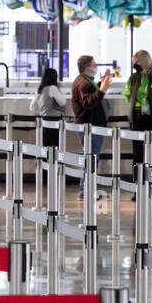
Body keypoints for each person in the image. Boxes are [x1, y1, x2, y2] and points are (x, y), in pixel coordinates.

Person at [70, 54, 112, 197]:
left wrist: (101, 84)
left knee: (91, 156)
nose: (96, 68)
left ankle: (85, 188)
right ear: (88, 67)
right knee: (92, 157)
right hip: (90, 126)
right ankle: (86, 189)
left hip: (91, 125)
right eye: (95, 65)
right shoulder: (84, 83)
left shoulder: (85, 81)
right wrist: (102, 90)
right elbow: (89, 103)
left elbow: (91, 95)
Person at [125, 50, 152, 171]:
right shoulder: (133, 78)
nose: (134, 64)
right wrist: (137, 104)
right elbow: (127, 94)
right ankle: (138, 184)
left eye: (135, 62)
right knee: (138, 154)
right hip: (138, 118)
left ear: (143, 61)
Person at [28, 67, 66, 149]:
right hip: (54, 120)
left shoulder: (40, 90)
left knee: (46, 147)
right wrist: (59, 89)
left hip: (44, 120)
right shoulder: (52, 88)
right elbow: (62, 102)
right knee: (56, 146)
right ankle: (55, 162)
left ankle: (45, 162)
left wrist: (43, 112)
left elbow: (32, 107)